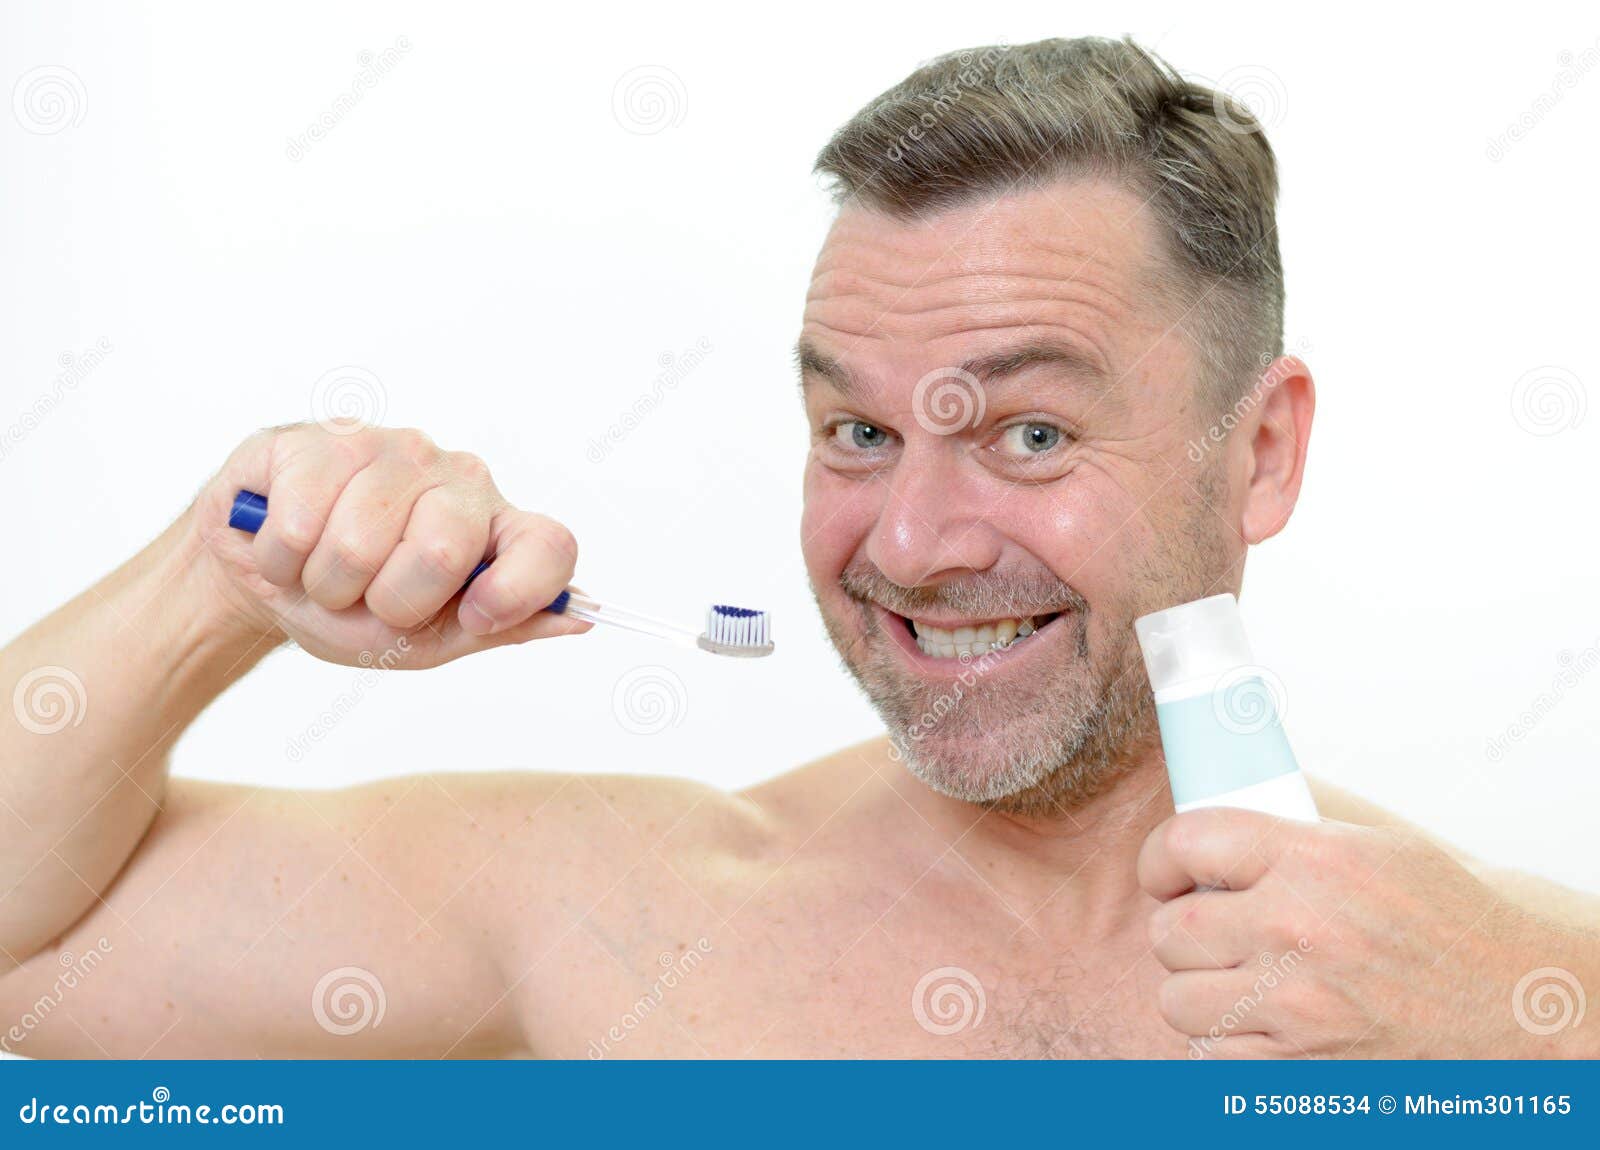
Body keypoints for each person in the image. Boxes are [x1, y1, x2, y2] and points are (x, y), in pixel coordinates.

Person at [2, 36, 1595, 1059]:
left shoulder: (1490, 983)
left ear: (1259, 450)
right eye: (858, 432)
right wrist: (215, 582)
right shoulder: (617, 915)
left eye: (1029, 435)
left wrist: (1545, 1021)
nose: (908, 540)